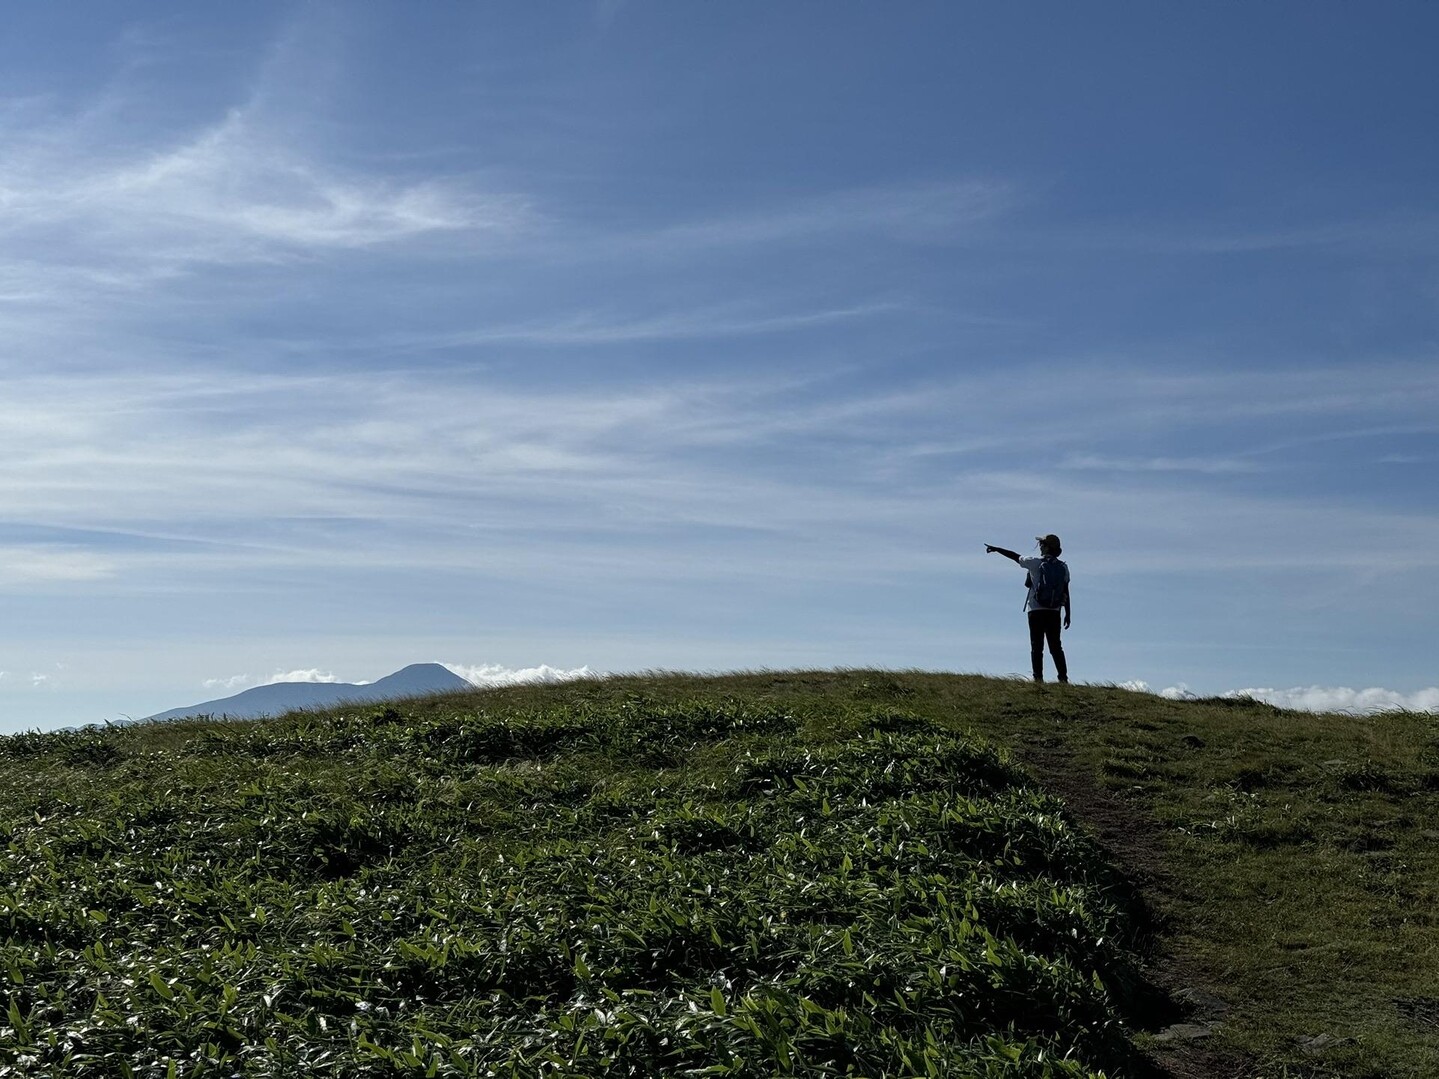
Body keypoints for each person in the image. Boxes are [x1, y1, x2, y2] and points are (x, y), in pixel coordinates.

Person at [985, 534, 1071, 684]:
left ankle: (1038, 678)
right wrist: (1068, 614)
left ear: (1046, 547)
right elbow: (1066, 591)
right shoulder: (1063, 567)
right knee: (1056, 646)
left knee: (1036, 646)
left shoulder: (1034, 563)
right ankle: (1063, 678)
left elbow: (1014, 556)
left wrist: (997, 549)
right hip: (1054, 611)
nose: (1040, 547)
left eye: (1041, 545)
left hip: (1036, 610)